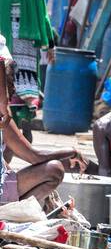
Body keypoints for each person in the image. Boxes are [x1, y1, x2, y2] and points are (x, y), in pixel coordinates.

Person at [0, 41, 84, 209]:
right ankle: (13, 213)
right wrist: (72, 151)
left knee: (10, 152)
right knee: (54, 170)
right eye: (9, 83)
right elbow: (34, 156)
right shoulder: (3, 117)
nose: (14, 89)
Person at [0, 0, 56, 131]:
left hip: (5, 44)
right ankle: (24, 122)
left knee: (6, 83)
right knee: (26, 84)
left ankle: (12, 125)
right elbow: (44, 17)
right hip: (28, 46)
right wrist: (51, 45)